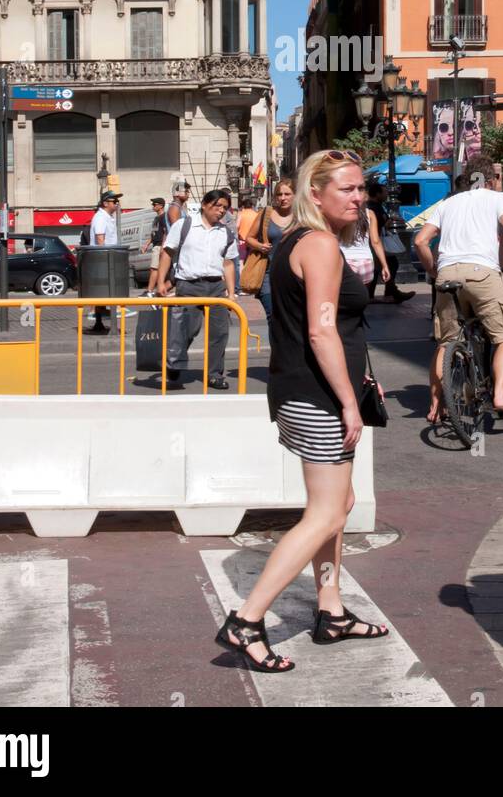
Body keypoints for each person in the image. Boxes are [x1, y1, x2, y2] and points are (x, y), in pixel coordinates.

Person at [214, 150, 389, 673]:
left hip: (298, 391)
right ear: (316, 195)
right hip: (317, 396)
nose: (359, 198)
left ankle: (331, 611)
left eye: (362, 189)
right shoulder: (319, 246)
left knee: (339, 502)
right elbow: (322, 329)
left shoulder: (296, 240)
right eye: (347, 190)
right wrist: (346, 403)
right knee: (327, 513)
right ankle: (246, 621)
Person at [414, 156, 503, 424]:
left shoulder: (448, 203)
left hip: (448, 274)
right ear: (491, 180)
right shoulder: (498, 199)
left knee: (447, 342)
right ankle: (499, 395)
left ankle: (437, 404)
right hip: (482, 273)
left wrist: (433, 271)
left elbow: (420, 240)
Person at [157, 190, 238, 390]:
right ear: (204, 204)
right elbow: (167, 253)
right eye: (217, 206)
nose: (221, 211)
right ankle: (174, 363)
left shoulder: (226, 232)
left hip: (216, 287)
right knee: (187, 330)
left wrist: (231, 293)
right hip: (189, 285)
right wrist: (160, 282)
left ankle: (214, 375)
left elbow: (228, 263)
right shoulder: (184, 225)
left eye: (225, 208)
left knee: (219, 333)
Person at [245, 181, 296, 337]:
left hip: (294, 276)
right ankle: (278, 355)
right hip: (268, 274)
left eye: (287, 194)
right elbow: (249, 238)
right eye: (279, 194)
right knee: (273, 317)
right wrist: (260, 246)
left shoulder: (302, 215)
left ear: (295, 195)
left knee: (292, 319)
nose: (283, 198)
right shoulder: (266, 213)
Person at [366, 180, 414, 303]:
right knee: (385, 266)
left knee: (386, 266)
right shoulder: (373, 208)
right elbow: (379, 224)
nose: (387, 194)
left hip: (376, 241)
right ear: (377, 194)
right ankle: (390, 294)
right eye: (385, 192)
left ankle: (387, 294)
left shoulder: (375, 206)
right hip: (375, 242)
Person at [87, 188, 122, 332]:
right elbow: (100, 238)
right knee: (103, 290)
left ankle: (100, 319)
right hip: (103, 258)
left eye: (117, 201)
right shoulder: (100, 217)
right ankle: (99, 318)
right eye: (114, 201)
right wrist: (106, 259)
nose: (117, 204)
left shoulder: (107, 217)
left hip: (108, 257)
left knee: (104, 291)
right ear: (105, 203)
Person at [338, 203, 388, 291]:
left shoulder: (339, 212)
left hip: (346, 261)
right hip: (366, 261)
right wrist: (385, 266)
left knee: (345, 298)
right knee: (362, 296)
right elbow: (376, 242)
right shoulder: (370, 213)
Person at [142, 197, 168, 297]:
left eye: (154, 204)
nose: (153, 206)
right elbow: (153, 233)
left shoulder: (164, 217)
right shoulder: (156, 218)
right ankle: (152, 290)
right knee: (154, 268)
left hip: (159, 245)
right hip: (155, 245)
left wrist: (162, 246)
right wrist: (146, 244)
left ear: (161, 206)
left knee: (154, 268)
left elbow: (166, 232)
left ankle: (150, 291)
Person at [217, 191, 241, 295]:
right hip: (231, 242)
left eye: (224, 206)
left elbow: (231, 229)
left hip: (231, 243)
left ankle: (234, 289)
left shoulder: (227, 215)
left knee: (233, 266)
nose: (221, 209)